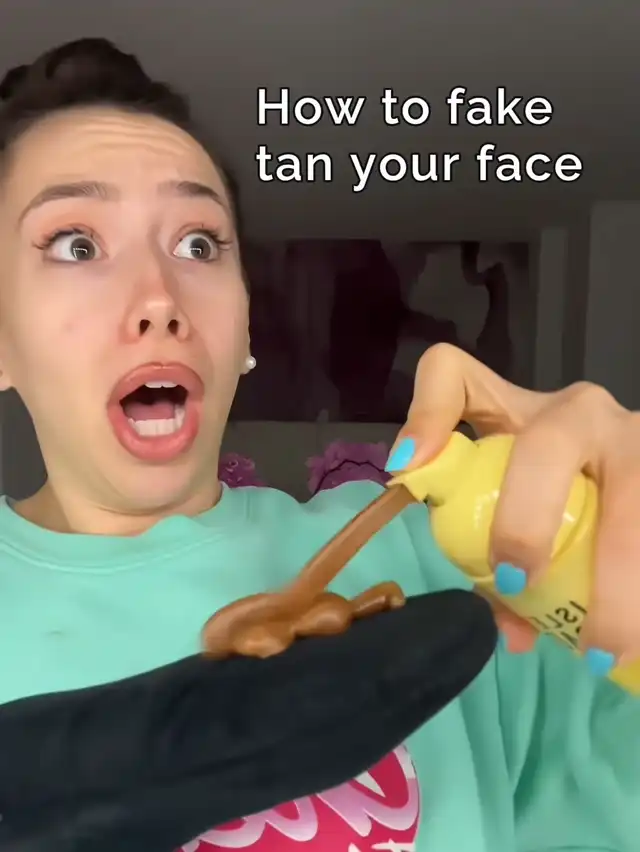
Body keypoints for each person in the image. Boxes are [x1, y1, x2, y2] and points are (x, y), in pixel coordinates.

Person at [0, 37, 638, 852]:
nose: (159, 298)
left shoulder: (454, 565)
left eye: (198, 244)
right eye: (76, 245)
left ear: (245, 334)